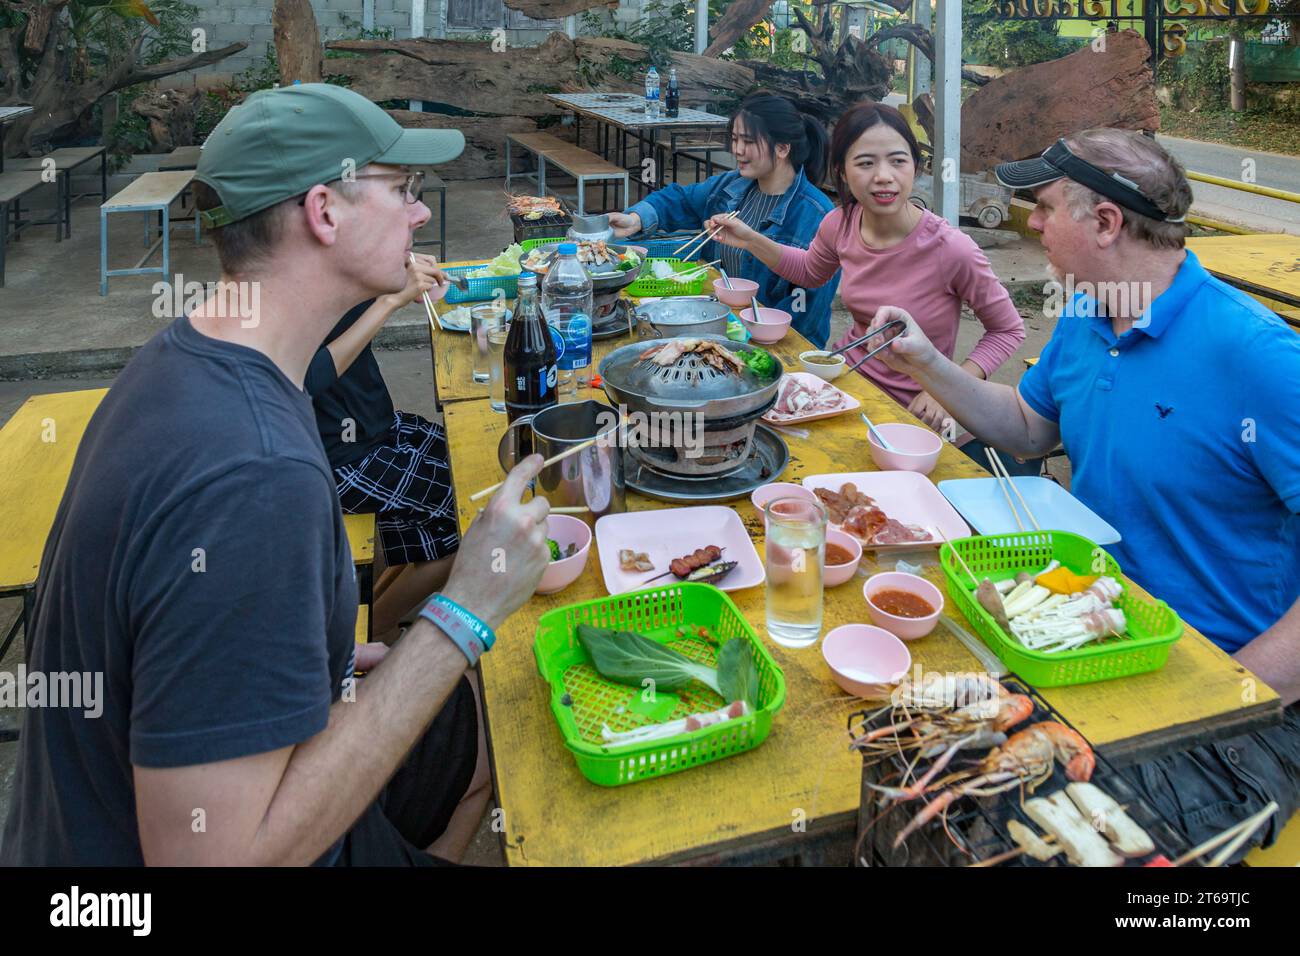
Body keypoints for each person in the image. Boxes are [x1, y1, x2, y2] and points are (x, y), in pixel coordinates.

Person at [0, 84, 552, 866]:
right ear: (324, 212)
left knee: (485, 706)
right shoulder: (254, 476)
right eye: (401, 191)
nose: (421, 213)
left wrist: (319, 659)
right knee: (497, 686)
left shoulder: (188, 358)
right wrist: (463, 609)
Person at [858, 128, 1300, 860]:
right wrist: (927, 360)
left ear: (1105, 222)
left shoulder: (1257, 356)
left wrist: (1227, 695)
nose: (1030, 222)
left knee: (1044, 847)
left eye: (1045, 206)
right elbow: (1031, 430)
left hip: (1231, 693)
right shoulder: (1091, 315)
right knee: (903, 765)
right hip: (1083, 639)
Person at [707, 102, 1030, 471]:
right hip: (844, 389)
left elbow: (1008, 329)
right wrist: (750, 239)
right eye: (865, 163)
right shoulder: (840, 223)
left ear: (916, 168)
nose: (883, 176)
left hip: (912, 415)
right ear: (842, 173)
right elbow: (811, 270)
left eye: (898, 161)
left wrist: (949, 391)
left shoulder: (951, 249)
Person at [306, 259, 462, 643]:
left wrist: (394, 274)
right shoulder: (286, 281)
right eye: (400, 198)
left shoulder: (337, 255)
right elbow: (309, 375)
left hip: (376, 424)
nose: (419, 213)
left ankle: (378, 608)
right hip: (340, 458)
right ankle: (378, 627)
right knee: (468, 510)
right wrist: (390, 299)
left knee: (460, 457)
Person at [607, 91, 840, 347]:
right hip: (723, 329)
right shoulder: (730, 187)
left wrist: (746, 336)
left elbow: (805, 315)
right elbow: (680, 199)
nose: (737, 150)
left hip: (775, 347)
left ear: (783, 148)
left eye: (749, 141)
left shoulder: (816, 215)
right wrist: (635, 219)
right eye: (735, 139)